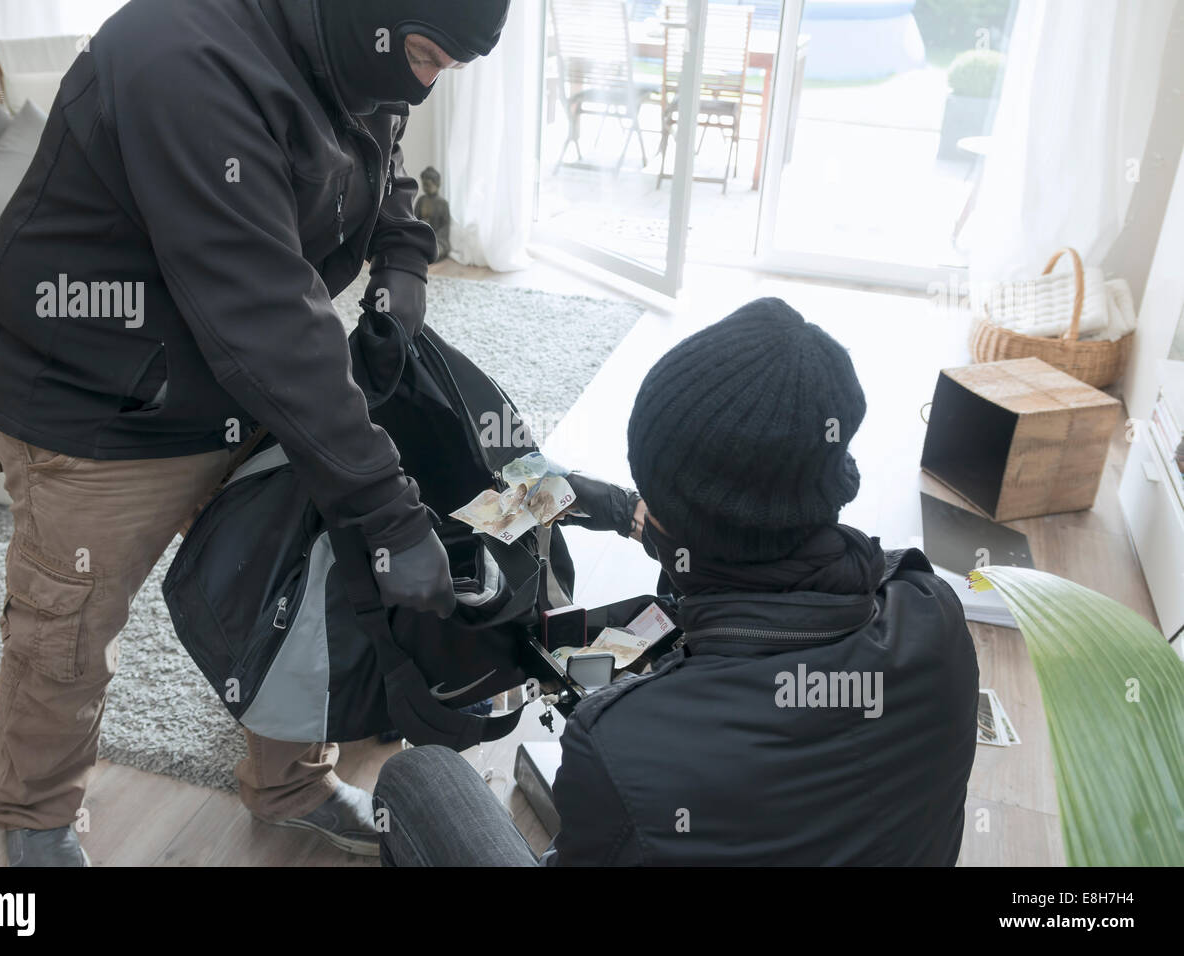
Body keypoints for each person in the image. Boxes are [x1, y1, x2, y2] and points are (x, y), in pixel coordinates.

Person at [0, 0, 511, 866]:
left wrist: (403, 255)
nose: (421, 82)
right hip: (100, 397)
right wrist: (389, 512)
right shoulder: (179, 54)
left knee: (301, 593)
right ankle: (37, 814)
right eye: (422, 55)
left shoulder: (354, 50)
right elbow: (264, 311)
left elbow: (384, 145)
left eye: (445, 69)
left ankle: (292, 780)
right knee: (67, 629)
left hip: (249, 380)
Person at [373, 298, 981, 866]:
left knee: (419, 776)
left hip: (628, 780)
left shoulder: (620, 745)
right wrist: (624, 510)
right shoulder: (934, 611)